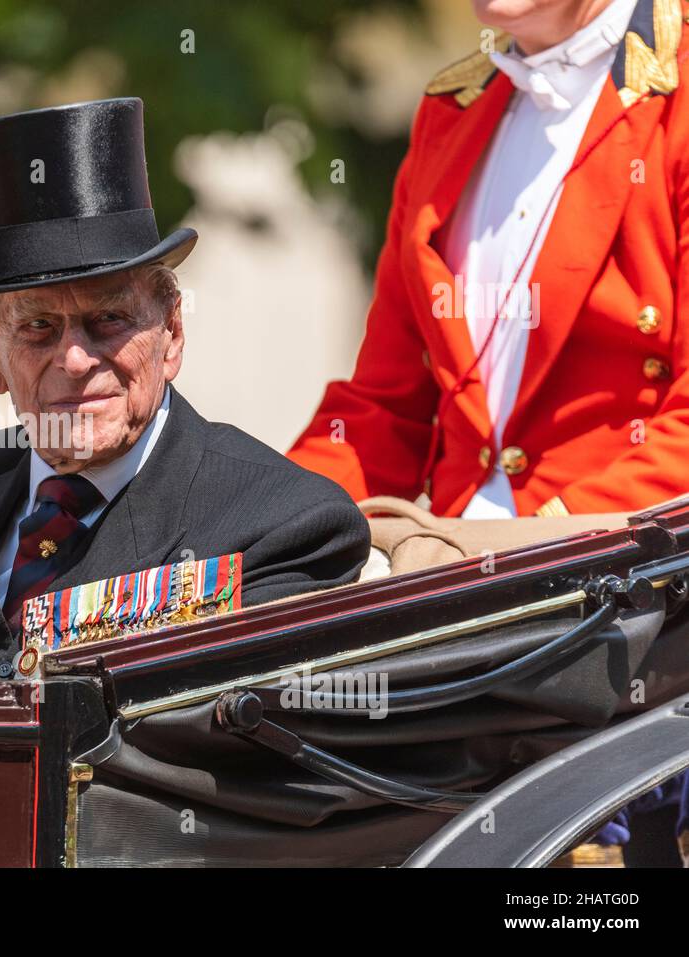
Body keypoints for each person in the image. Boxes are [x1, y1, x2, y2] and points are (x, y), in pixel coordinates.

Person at [286, 0, 688, 865]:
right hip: (467, 637)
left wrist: (508, 555)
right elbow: (383, 408)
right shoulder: (452, 107)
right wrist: (260, 530)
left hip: (639, 631)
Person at [0, 97, 371, 681]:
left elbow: (209, 757)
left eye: (109, 320)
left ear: (173, 335)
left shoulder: (280, 523)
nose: (77, 359)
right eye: (39, 327)